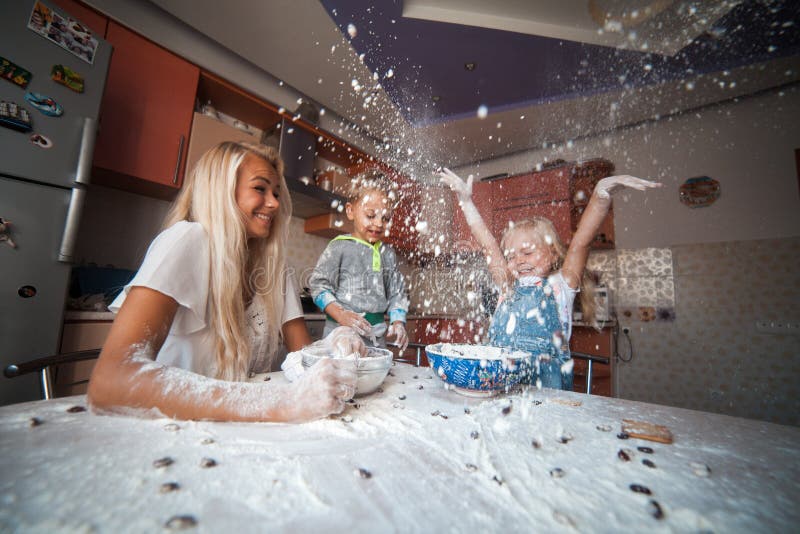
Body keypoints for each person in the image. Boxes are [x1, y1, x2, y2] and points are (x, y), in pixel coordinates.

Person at [87, 141, 363, 423]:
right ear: (221, 190)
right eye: (260, 188)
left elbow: (302, 354)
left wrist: (332, 344)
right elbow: (113, 381)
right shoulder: (187, 240)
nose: (274, 203)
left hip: (236, 434)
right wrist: (281, 402)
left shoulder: (276, 269)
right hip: (170, 431)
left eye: (277, 193)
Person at [440, 168, 661, 390]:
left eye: (527, 252)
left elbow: (581, 242)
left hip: (547, 391)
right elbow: (488, 244)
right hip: (500, 387)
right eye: (510, 256)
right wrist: (466, 202)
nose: (518, 260)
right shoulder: (506, 287)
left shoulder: (560, 287)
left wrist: (600, 196)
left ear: (553, 253)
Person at [308, 170, 410, 351]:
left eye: (385, 218)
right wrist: (340, 315)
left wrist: (398, 321)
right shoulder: (339, 247)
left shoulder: (388, 253)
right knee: (340, 376)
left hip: (377, 338)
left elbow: (397, 293)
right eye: (371, 215)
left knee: (376, 378)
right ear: (350, 211)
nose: (379, 223)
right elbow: (318, 286)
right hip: (340, 333)